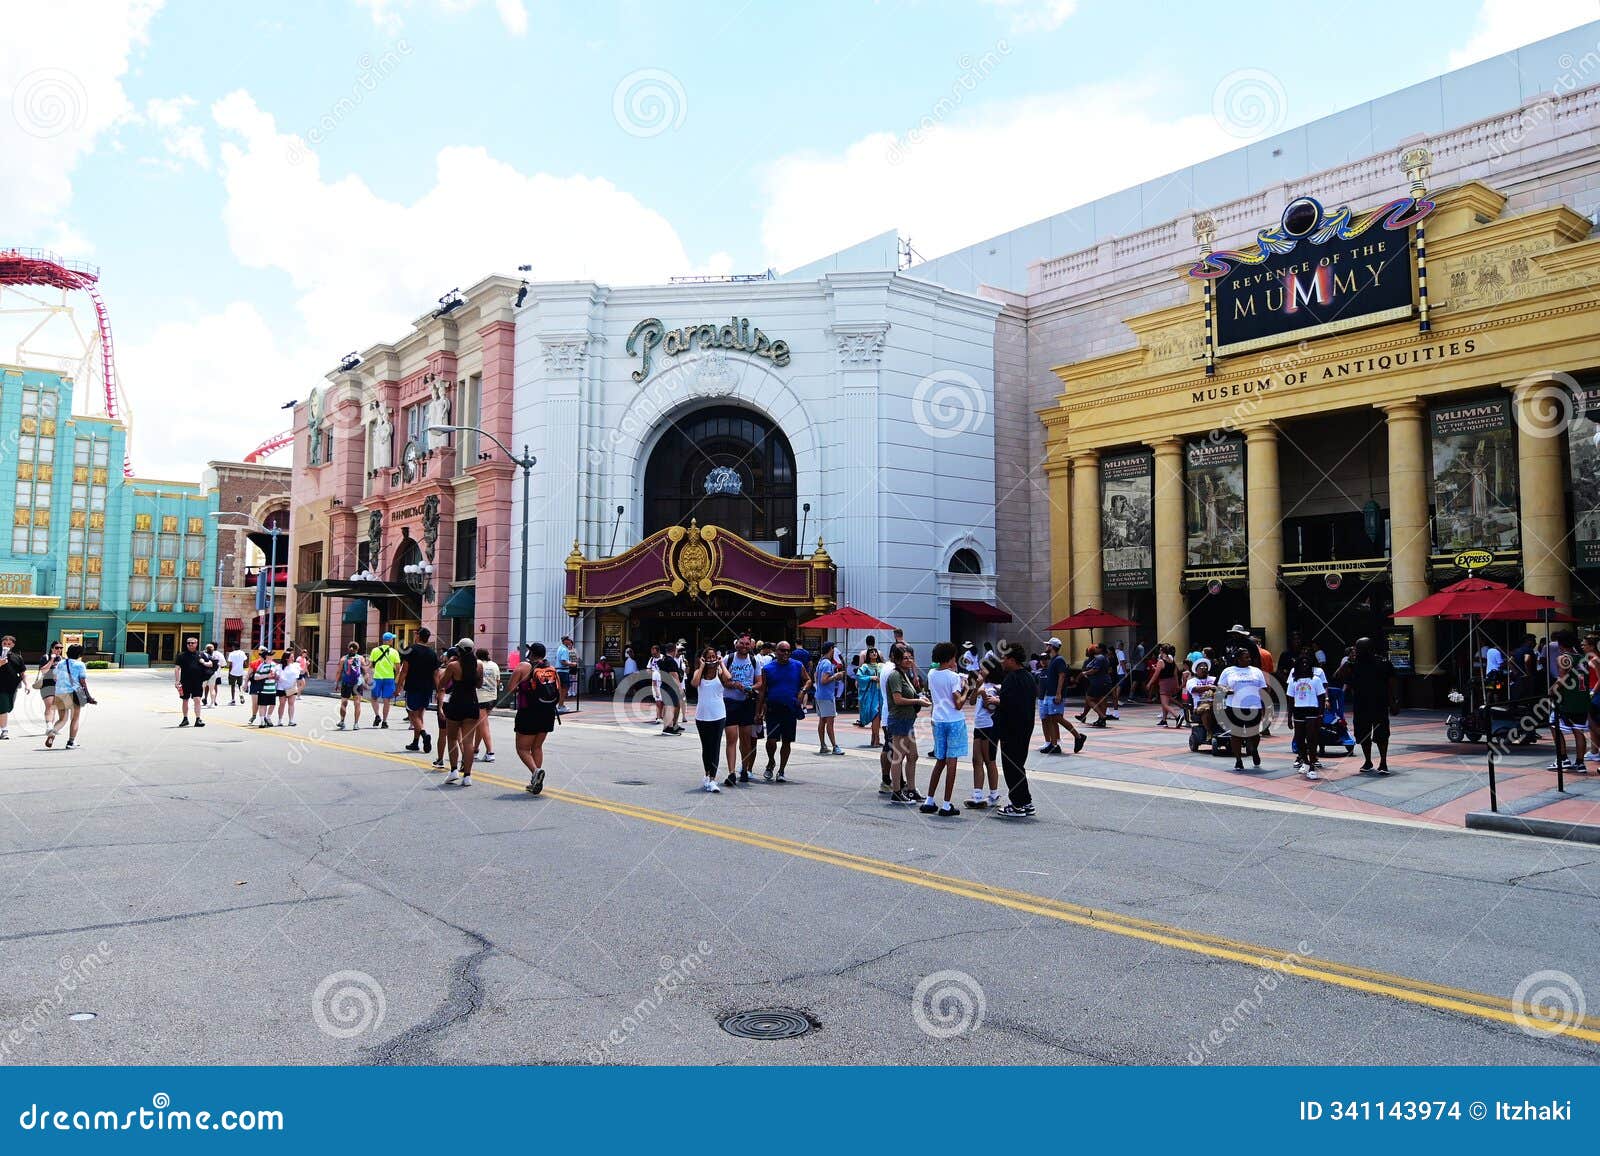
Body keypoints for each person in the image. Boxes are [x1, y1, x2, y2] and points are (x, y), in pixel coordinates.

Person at [503, 641, 563, 794]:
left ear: (531, 653)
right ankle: (535, 781)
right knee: (537, 747)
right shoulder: (551, 669)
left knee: (522, 748)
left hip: (528, 711)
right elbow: (559, 689)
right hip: (548, 711)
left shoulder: (523, 667)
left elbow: (510, 689)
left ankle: (536, 771)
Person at [921, 642, 970, 817]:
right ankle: (947, 804)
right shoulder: (953, 677)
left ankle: (929, 799)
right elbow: (958, 704)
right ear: (950, 658)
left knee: (940, 760)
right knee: (952, 762)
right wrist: (966, 689)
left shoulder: (932, 674)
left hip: (938, 720)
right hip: (954, 721)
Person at [990, 645, 1039, 818]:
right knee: (1018, 765)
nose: (1002, 662)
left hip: (1011, 728)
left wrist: (996, 700)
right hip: (1025, 727)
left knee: (1011, 767)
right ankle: (1025, 802)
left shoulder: (1011, 678)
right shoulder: (1028, 676)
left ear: (1011, 659)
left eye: (1004, 658)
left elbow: (1009, 703)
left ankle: (1018, 805)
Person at [1343, 636, 1397, 774]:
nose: (1356, 650)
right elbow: (1338, 676)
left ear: (1367, 649)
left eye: (1359, 648)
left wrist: (1393, 702)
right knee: (1362, 733)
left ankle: (1383, 762)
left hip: (1379, 703)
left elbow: (1391, 684)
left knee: (1382, 733)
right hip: (1361, 704)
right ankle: (1368, 761)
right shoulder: (1353, 664)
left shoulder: (1383, 662)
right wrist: (1347, 662)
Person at [755, 640, 808, 781]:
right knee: (771, 740)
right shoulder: (768, 668)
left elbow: (808, 680)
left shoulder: (797, 665)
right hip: (773, 709)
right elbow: (762, 692)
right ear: (776, 651)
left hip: (790, 709)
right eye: (782, 650)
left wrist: (802, 691)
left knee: (787, 741)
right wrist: (758, 712)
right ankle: (771, 761)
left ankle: (782, 770)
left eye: (787, 650)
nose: (785, 653)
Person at [883, 646, 927, 803]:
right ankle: (896, 791)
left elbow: (910, 694)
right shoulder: (895, 675)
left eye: (910, 657)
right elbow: (898, 699)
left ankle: (911, 789)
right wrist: (918, 701)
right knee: (898, 757)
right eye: (905, 657)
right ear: (897, 659)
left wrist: (919, 697)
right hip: (899, 719)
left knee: (913, 756)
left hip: (908, 720)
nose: (909, 660)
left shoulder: (905, 674)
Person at [436, 638, 483, 785]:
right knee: (468, 741)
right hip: (472, 703)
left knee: (452, 738)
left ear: (459, 650)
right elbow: (479, 684)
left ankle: (454, 770)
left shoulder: (453, 666)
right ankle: (467, 776)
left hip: (456, 703)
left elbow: (442, 684)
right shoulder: (479, 665)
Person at [690, 644, 736, 792]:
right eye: (708, 657)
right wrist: (702, 666)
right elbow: (694, 683)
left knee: (715, 747)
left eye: (713, 657)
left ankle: (712, 779)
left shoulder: (720, 671)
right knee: (706, 747)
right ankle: (707, 774)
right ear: (703, 658)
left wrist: (721, 662)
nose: (711, 659)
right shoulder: (699, 672)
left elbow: (729, 678)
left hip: (718, 715)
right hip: (702, 715)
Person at [1216, 648, 1269, 771]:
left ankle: (1254, 749)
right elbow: (1220, 686)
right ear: (1238, 659)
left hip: (1253, 706)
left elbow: (1263, 689)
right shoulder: (1228, 671)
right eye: (1246, 657)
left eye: (1249, 657)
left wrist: (1266, 706)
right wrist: (1226, 690)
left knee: (1255, 733)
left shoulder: (1256, 671)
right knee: (1236, 734)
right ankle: (1238, 760)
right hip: (1234, 706)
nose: (1249, 659)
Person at [1285, 650, 1328, 780]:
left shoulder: (1315, 679)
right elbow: (1290, 700)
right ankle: (1305, 761)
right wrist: (1289, 718)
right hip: (1298, 710)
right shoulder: (1293, 681)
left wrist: (1321, 714)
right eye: (1301, 662)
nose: (1304, 664)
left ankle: (1312, 765)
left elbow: (1321, 697)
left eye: (1306, 662)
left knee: (1311, 737)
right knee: (1299, 738)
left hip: (1312, 710)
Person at [397, 628, 440, 753]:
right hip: (427, 687)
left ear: (418, 636)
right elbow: (436, 674)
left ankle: (424, 734)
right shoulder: (432, 653)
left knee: (412, 713)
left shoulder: (411, 649)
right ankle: (415, 742)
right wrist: (438, 690)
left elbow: (404, 670)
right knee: (420, 714)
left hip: (413, 686)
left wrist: (398, 686)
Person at [722, 634, 758, 784]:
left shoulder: (755, 661)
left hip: (747, 702)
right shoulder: (728, 659)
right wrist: (733, 684)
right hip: (730, 702)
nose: (744, 646)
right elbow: (723, 680)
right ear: (736, 644)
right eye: (742, 643)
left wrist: (750, 688)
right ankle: (731, 773)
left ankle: (744, 769)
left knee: (746, 739)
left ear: (751, 646)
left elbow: (760, 683)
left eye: (747, 644)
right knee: (731, 738)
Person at [44, 644, 95, 749]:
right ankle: (71, 742)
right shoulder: (80, 665)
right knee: (75, 719)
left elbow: (55, 677)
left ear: (67, 652)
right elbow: (82, 682)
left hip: (60, 693)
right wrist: (88, 696)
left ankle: (52, 733)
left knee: (62, 719)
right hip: (74, 693)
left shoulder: (61, 663)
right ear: (80, 654)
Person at [968, 659, 1002, 809]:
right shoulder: (982, 685)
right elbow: (971, 702)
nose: (980, 672)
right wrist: (977, 689)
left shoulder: (995, 687)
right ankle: (977, 794)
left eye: (983, 670)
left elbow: (991, 708)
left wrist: (982, 694)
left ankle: (994, 794)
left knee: (990, 760)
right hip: (979, 726)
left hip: (990, 727)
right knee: (976, 760)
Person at [174, 636, 214, 727]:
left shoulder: (201, 654)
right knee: (185, 700)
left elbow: (211, 664)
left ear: (196, 644)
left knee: (197, 699)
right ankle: (185, 719)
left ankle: (198, 719)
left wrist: (204, 662)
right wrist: (177, 681)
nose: (190, 644)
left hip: (197, 681)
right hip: (185, 681)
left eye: (192, 643)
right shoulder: (181, 655)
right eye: (188, 643)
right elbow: (177, 669)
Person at [812, 643, 844, 755]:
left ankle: (823, 745)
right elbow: (824, 680)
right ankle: (835, 746)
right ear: (831, 649)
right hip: (827, 696)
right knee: (830, 722)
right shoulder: (827, 663)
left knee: (822, 721)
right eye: (833, 649)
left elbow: (816, 677)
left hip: (819, 695)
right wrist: (836, 676)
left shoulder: (820, 662)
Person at [368, 632, 401, 728]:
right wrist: (396, 677)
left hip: (377, 678)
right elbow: (398, 667)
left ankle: (377, 716)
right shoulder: (394, 652)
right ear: (390, 641)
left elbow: (370, 665)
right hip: (389, 678)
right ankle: (385, 722)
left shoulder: (375, 650)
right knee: (386, 700)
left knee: (374, 698)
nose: (393, 641)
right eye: (392, 639)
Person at [474, 647, 501, 763]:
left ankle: (490, 752)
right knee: (481, 724)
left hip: (480, 697)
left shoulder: (477, 664)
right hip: (492, 697)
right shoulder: (494, 665)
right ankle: (475, 750)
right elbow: (498, 681)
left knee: (483, 725)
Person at [1076, 644, 1113, 727]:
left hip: (1098, 682)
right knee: (1102, 700)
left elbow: (1095, 670)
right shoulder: (1105, 658)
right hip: (1106, 682)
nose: (1095, 649)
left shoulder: (1099, 657)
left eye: (1097, 647)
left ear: (1100, 649)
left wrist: (1084, 673)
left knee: (1089, 699)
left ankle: (1102, 716)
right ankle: (1102, 721)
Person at [334, 642, 369, 730]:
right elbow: (365, 671)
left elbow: (339, 672)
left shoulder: (343, 659)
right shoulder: (361, 658)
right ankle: (356, 724)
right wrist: (366, 682)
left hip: (346, 683)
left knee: (344, 703)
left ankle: (342, 721)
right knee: (357, 704)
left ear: (348, 648)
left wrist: (337, 683)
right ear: (357, 649)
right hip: (358, 684)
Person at [38, 641, 67, 744]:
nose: (59, 650)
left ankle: (52, 728)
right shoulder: (45, 657)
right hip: (47, 684)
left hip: (59, 686)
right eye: (56, 647)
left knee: (56, 707)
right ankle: (49, 726)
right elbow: (43, 671)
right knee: (49, 706)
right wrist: (52, 659)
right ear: (52, 648)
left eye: (61, 648)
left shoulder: (63, 659)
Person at [855, 647, 885, 748]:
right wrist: (870, 678)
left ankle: (875, 739)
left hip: (880, 693)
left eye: (875, 652)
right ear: (868, 655)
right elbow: (859, 676)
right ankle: (876, 740)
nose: (874, 653)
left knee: (878, 716)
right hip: (870, 694)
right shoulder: (865, 666)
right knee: (875, 714)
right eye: (871, 652)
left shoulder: (882, 665)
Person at [1185, 659, 1219, 746]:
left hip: (1215, 703)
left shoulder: (1213, 679)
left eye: (1205, 667)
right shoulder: (1191, 681)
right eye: (1201, 667)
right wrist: (1208, 687)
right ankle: (1209, 732)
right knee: (1206, 708)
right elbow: (1194, 689)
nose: (1204, 669)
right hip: (1200, 705)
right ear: (1196, 670)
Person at [0, 635, 26, 741]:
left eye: (9, 644)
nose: (6, 645)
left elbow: (23, 672)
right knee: (3, 709)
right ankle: (4, 731)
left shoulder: (17, 657)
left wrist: (27, 685)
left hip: (12, 687)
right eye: (4, 643)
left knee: (8, 707)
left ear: (13, 645)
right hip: (1, 687)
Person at [658, 643, 684, 735]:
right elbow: (674, 676)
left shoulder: (662, 659)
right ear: (674, 650)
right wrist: (680, 689)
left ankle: (670, 726)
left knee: (670, 706)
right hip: (670, 687)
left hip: (664, 685)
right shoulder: (671, 661)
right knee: (670, 707)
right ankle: (668, 728)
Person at [250, 648, 280, 727]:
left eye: (272, 656)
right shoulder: (262, 666)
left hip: (272, 689)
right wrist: (267, 675)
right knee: (263, 705)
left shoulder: (274, 665)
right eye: (269, 656)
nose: (271, 657)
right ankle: (262, 721)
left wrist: (276, 676)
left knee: (272, 705)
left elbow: (277, 676)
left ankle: (268, 717)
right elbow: (256, 677)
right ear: (266, 657)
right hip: (263, 689)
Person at [274, 648, 304, 726]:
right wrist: (276, 677)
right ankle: (280, 721)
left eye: (293, 657)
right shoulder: (279, 666)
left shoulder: (295, 666)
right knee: (282, 704)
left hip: (292, 688)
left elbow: (299, 674)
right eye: (291, 657)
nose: (293, 658)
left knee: (291, 704)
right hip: (282, 688)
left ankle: (291, 721)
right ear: (286, 658)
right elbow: (276, 677)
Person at [1154, 645, 1181, 727]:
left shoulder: (1161, 661)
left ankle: (1177, 716)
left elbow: (1156, 674)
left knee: (1165, 703)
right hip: (1171, 682)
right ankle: (1164, 720)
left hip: (1164, 683)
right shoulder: (1171, 659)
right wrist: (1177, 684)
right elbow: (1175, 672)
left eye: (1160, 650)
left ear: (1162, 651)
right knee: (1167, 700)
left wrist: (1149, 683)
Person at [554, 634, 579, 712]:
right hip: (563, 671)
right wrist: (573, 664)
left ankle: (560, 705)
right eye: (568, 640)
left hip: (559, 671)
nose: (569, 641)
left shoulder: (560, 648)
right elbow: (563, 661)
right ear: (565, 641)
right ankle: (560, 706)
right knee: (564, 689)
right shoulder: (564, 649)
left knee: (561, 689)